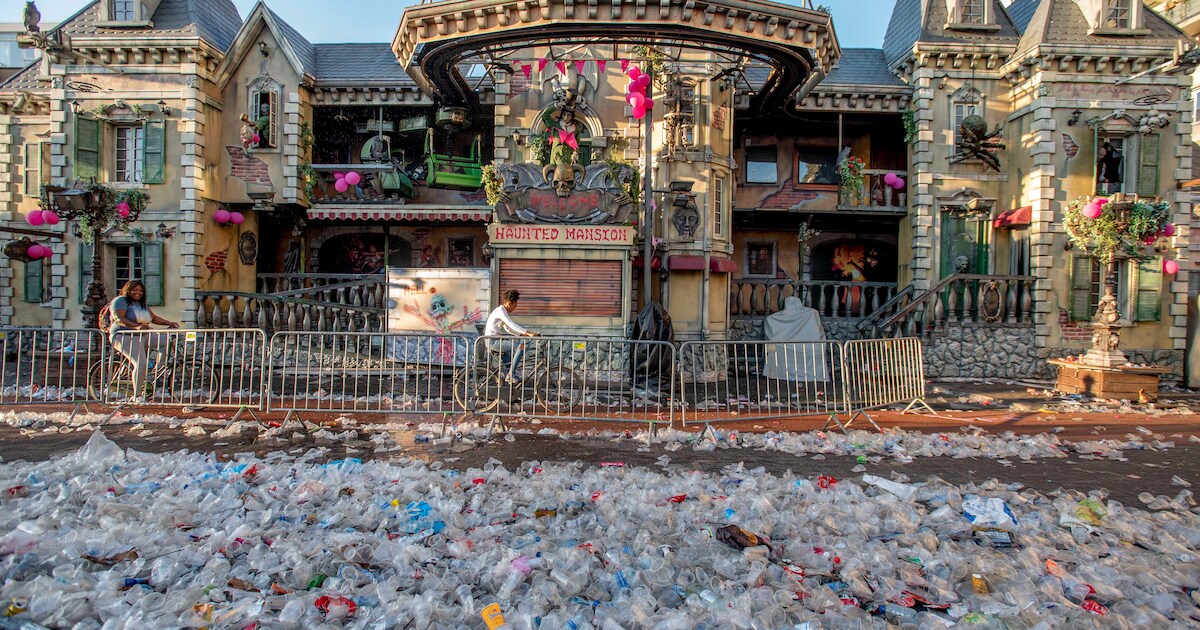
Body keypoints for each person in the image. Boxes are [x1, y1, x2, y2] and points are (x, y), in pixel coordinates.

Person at [108, 280, 179, 402]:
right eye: (135, 290)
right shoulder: (120, 301)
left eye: (140, 290)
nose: (138, 292)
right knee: (141, 363)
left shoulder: (141, 304)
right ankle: (137, 396)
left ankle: (153, 374)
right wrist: (135, 326)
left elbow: (154, 318)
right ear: (128, 290)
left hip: (143, 334)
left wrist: (169, 323)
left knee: (165, 341)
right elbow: (119, 318)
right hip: (124, 335)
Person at [484, 289, 538, 383]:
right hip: (493, 341)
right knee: (520, 347)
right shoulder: (500, 311)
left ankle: (508, 378)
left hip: (494, 340)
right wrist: (528, 333)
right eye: (514, 306)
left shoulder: (501, 311)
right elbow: (511, 324)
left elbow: (508, 328)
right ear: (509, 303)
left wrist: (522, 334)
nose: (515, 308)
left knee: (508, 358)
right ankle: (511, 375)